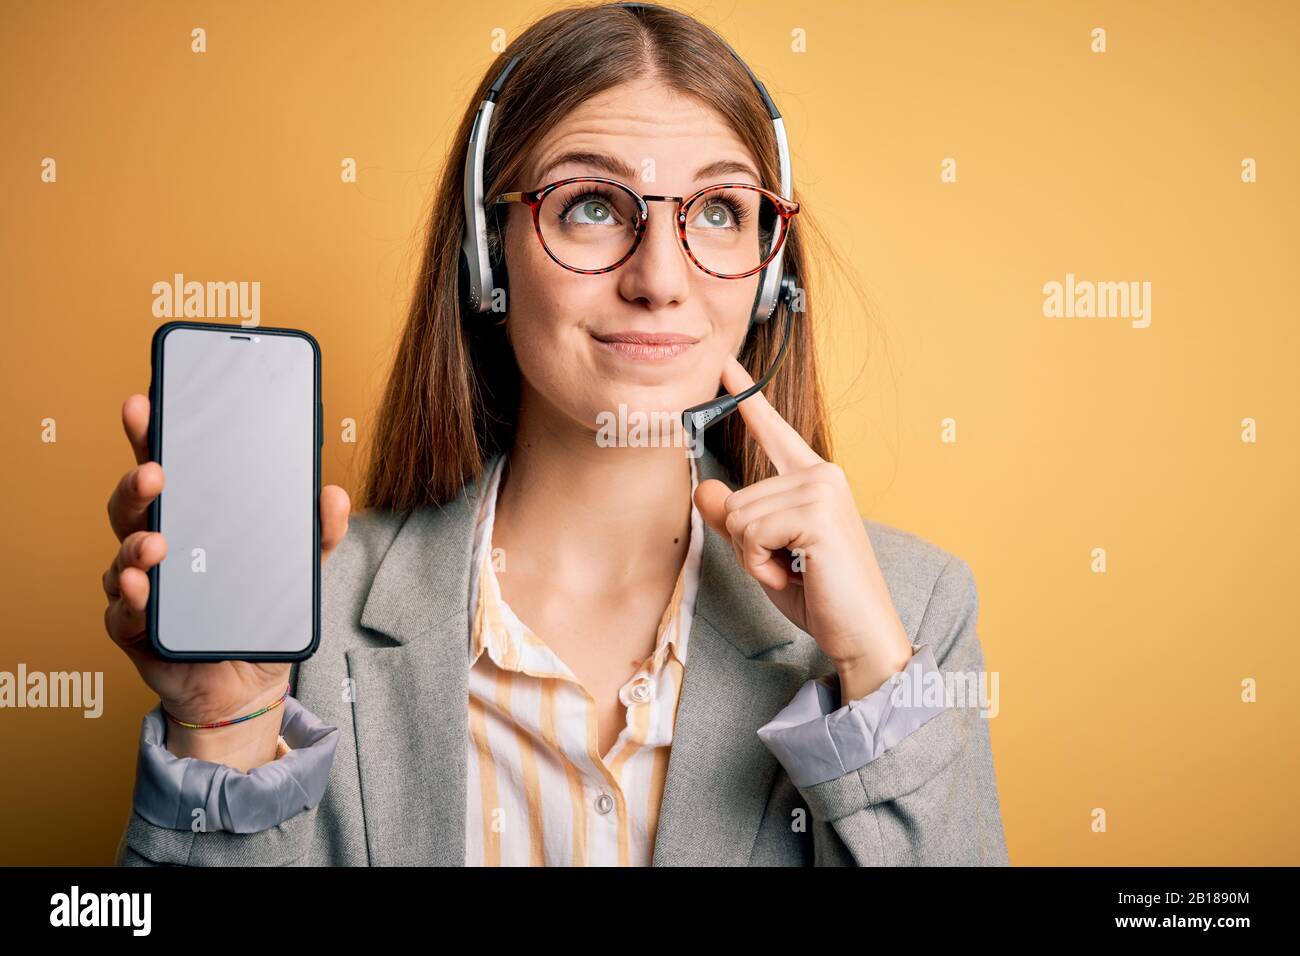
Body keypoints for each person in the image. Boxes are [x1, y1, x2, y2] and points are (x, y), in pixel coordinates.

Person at [104, 1, 1007, 866]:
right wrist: (224, 726)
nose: (660, 278)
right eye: (593, 205)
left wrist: (877, 679)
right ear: (486, 255)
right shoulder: (299, 618)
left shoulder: (911, 611)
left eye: (720, 211)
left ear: (766, 279)